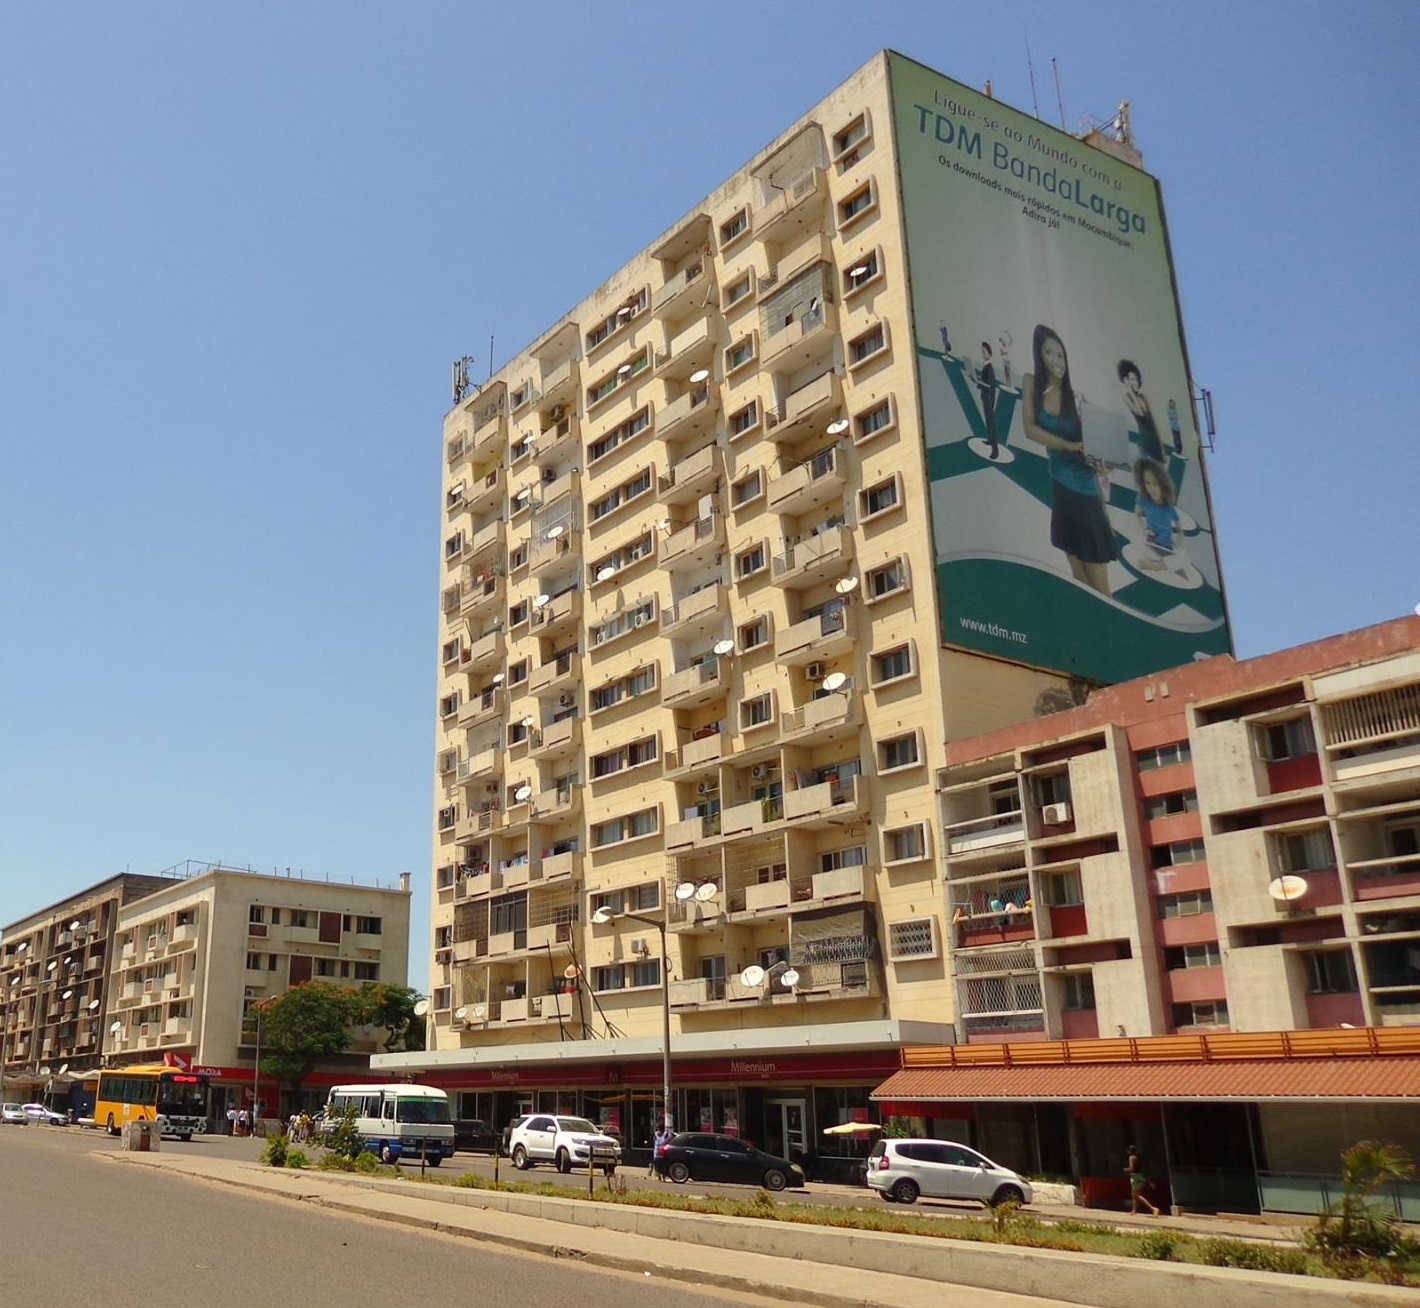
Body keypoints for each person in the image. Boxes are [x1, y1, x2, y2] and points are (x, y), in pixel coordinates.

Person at [1021, 324, 1116, 595]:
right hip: (1061, 491)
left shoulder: (1077, 401)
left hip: (1087, 496)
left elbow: (1099, 453)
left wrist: (1101, 463)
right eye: (1049, 352)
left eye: (1060, 354)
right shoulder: (1031, 383)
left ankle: (1109, 634)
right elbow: (1030, 429)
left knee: (1100, 589)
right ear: (1039, 356)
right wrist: (1069, 445)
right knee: (1079, 580)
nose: (1055, 359)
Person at [1133, 458, 1180, 566]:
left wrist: (1176, 547)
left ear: (1162, 484)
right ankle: (1157, 564)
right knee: (1135, 542)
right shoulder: (1143, 499)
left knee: (1183, 558)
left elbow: (1180, 531)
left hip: (1167, 546)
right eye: (1147, 483)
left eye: (1155, 484)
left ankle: (1156, 566)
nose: (1151, 488)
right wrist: (1145, 529)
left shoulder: (1168, 506)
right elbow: (1137, 514)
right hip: (1150, 542)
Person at [1117, 359, 1163, 462]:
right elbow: (1140, 413)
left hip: (1154, 439)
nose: (1135, 382)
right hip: (1145, 440)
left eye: (1136, 379)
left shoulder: (1143, 397)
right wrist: (1130, 390)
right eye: (1132, 379)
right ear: (1126, 380)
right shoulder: (1127, 397)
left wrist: (1160, 444)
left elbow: (1152, 421)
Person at [974, 342, 999, 459]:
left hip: (988, 398)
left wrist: (978, 382)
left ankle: (995, 450)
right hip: (986, 397)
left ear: (989, 353)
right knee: (988, 422)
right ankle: (990, 440)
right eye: (982, 352)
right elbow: (986, 383)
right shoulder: (986, 366)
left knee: (991, 423)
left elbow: (989, 385)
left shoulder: (989, 368)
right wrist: (977, 381)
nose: (983, 354)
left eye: (984, 352)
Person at [1126, 1143, 1161, 1216]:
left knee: (1137, 1195)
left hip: (1135, 1177)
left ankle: (1153, 1209)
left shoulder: (1131, 1157)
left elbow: (1131, 1168)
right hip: (1140, 1176)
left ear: (1130, 1151)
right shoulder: (1138, 1157)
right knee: (1133, 1194)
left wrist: (1126, 1170)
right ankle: (1134, 1210)